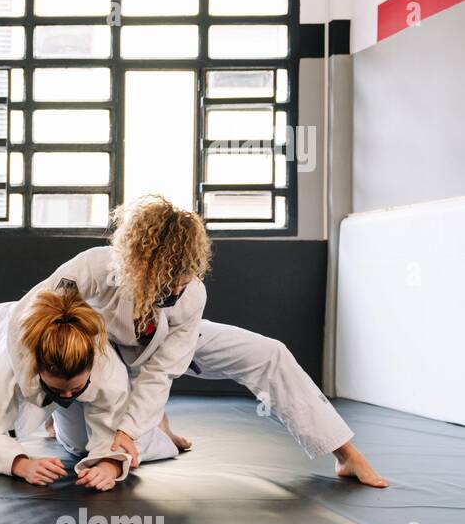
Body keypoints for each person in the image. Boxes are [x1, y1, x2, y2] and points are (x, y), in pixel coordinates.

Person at [32, 195, 388, 488]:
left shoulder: (189, 296)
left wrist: (128, 429)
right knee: (86, 447)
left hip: (161, 344)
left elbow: (161, 372)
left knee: (269, 353)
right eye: (164, 282)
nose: (173, 290)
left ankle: (346, 456)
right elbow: (34, 318)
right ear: (139, 265)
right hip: (103, 355)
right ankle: (120, 424)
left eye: (182, 280)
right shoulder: (95, 268)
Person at [0, 288, 179, 491]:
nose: (68, 397)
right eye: (59, 390)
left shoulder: (107, 370)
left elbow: (110, 442)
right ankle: (50, 409)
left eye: (75, 390)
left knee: (83, 447)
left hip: (62, 375)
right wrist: (20, 464)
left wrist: (108, 467)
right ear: (36, 369)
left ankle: (156, 424)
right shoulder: (12, 360)